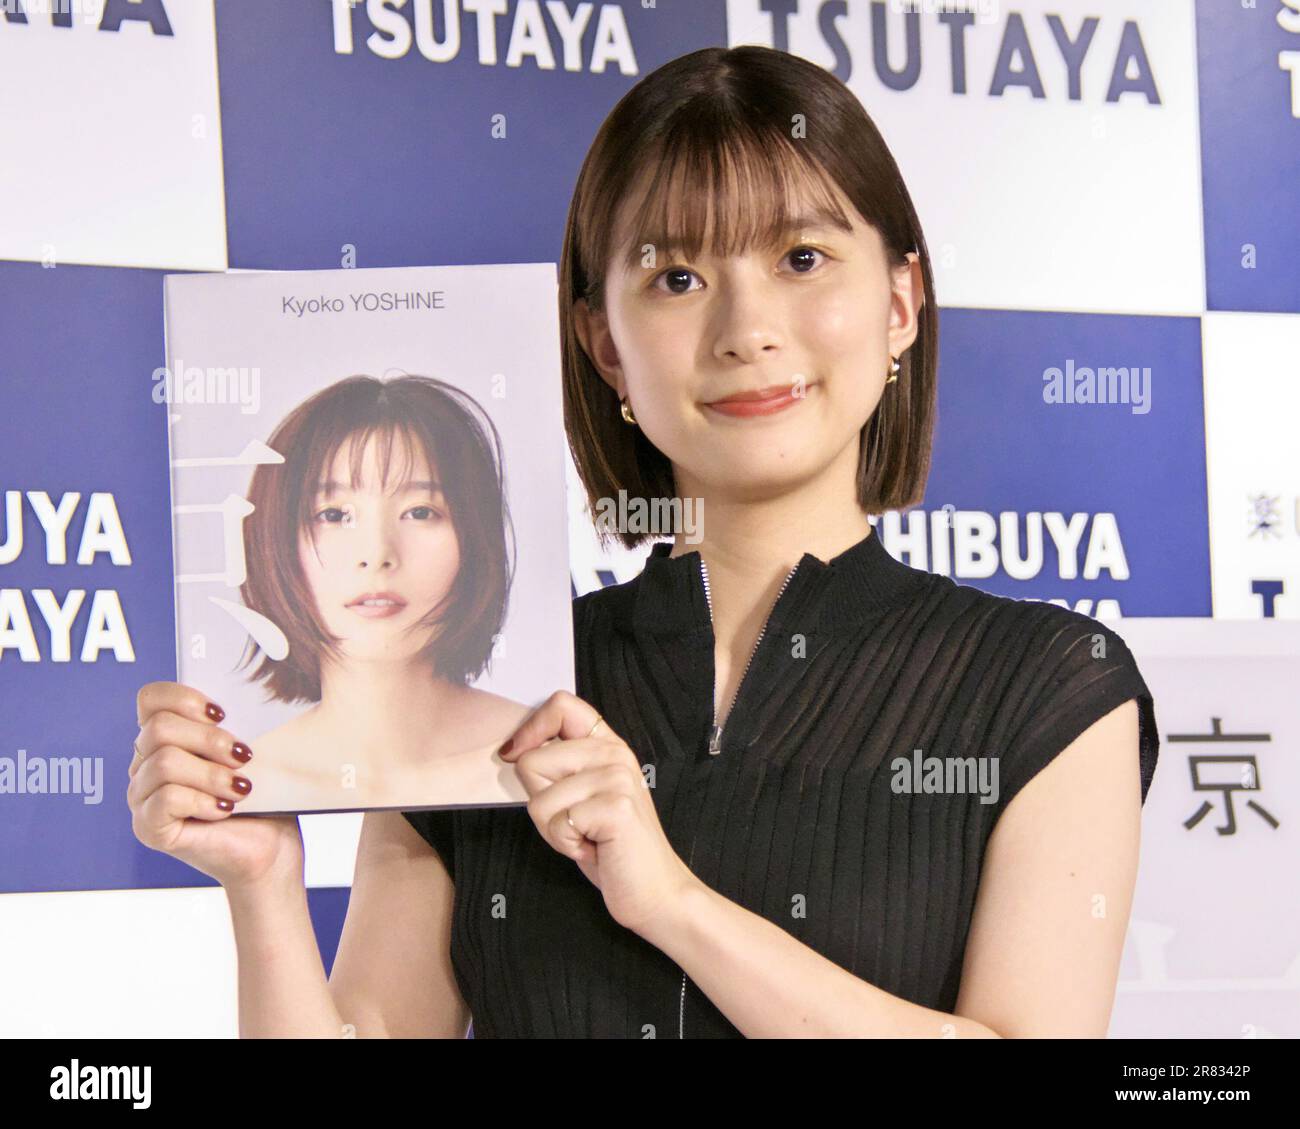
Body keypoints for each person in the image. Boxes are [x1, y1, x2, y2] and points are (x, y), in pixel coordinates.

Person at [128, 45, 1159, 1038]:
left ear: (898, 303)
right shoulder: (496, 703)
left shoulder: (1049, 685)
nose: (746, 328)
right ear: (601, 346)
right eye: (676, 278)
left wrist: (669, 900)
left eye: (802, 258)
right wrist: (264, 885)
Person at [216, 373, 528, 812]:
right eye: (333, 514)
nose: (377, 554)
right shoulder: (246, 785)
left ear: (475, 536)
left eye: (420, 512)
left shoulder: (542, 762)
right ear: (274, 540)